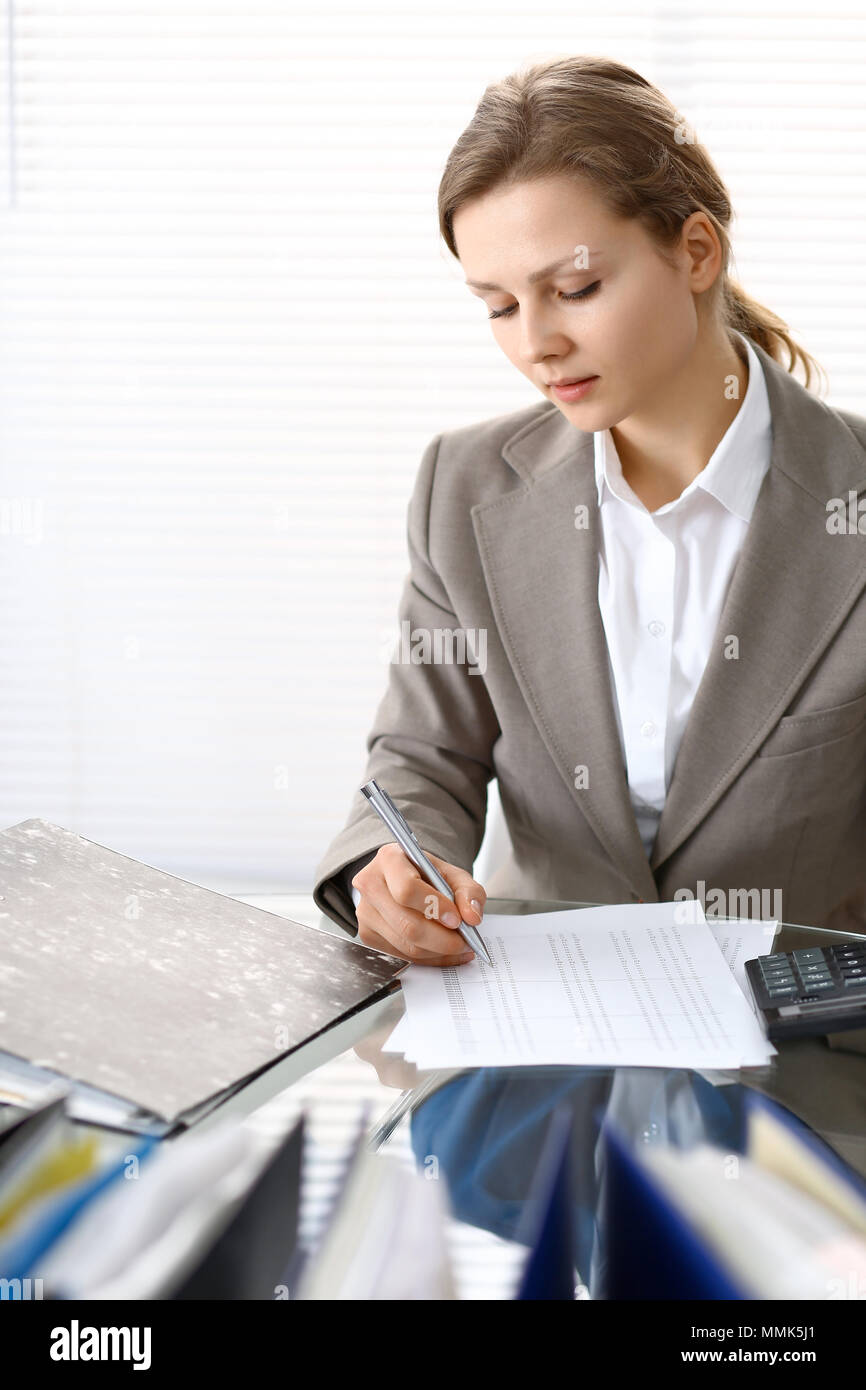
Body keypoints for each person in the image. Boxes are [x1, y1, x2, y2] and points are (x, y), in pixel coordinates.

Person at [313, 55, 866, 966]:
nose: (537, 343)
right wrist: (391, 864)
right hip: (542, 1043)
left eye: (574, 290)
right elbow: (420, 755)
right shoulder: (465, 486)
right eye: (498, 305)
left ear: (695, 251)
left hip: (809, 1068)